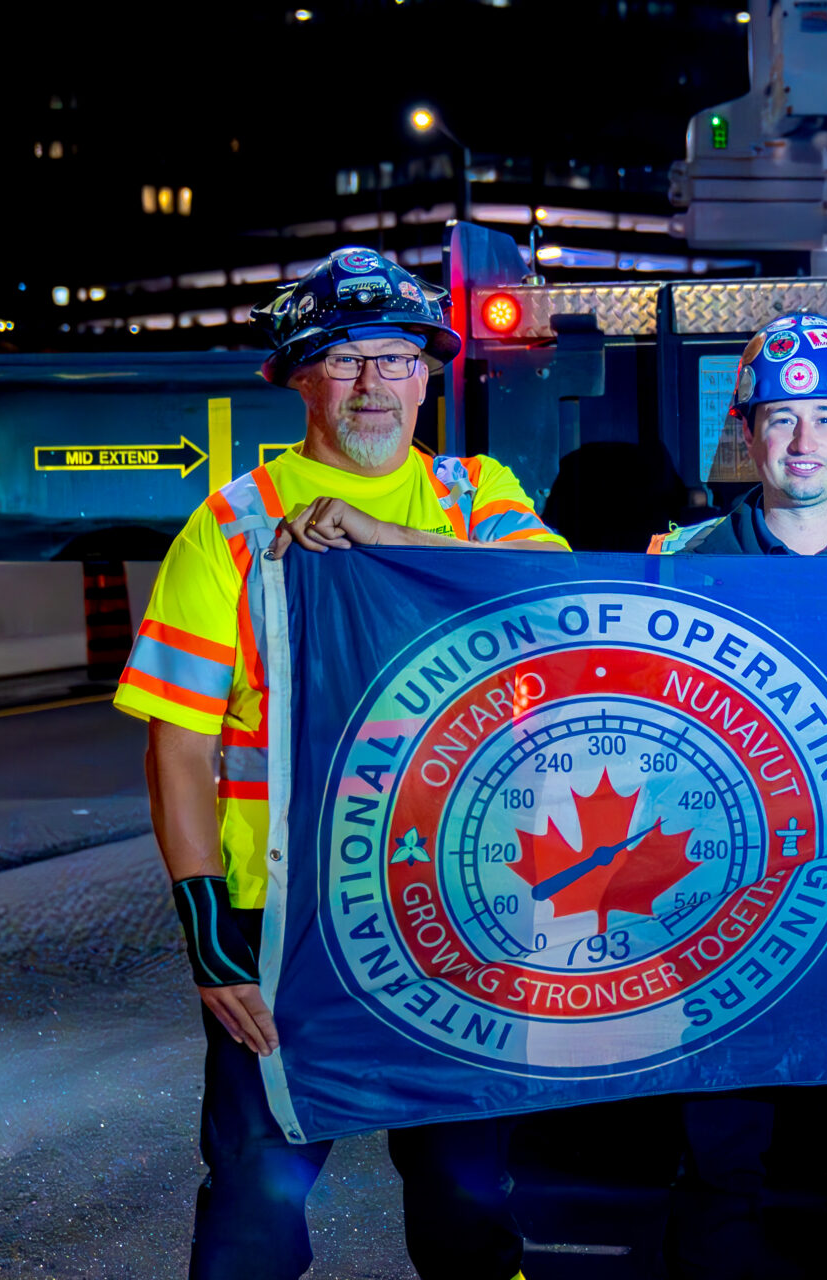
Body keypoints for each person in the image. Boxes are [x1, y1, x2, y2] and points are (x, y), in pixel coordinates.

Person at [114, 247, 568, 1280]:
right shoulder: (228, 526)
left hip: (462, 915)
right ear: (299, 376)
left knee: (468, 1199)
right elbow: (177, 745)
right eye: (345, 358)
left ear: (428, 373)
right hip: (284, 928)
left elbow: (557, 583)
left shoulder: (475, 492)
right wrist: (206, 937)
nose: (374, 383)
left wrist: (373, 536)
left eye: (397, 357)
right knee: (253, 1210)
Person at [649, 312, 827, 1279]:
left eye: (825, 417)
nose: (804, 441)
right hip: (724, 921)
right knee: (720, 1175)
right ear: (748, 430)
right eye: (782, 418)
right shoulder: (676, 564)